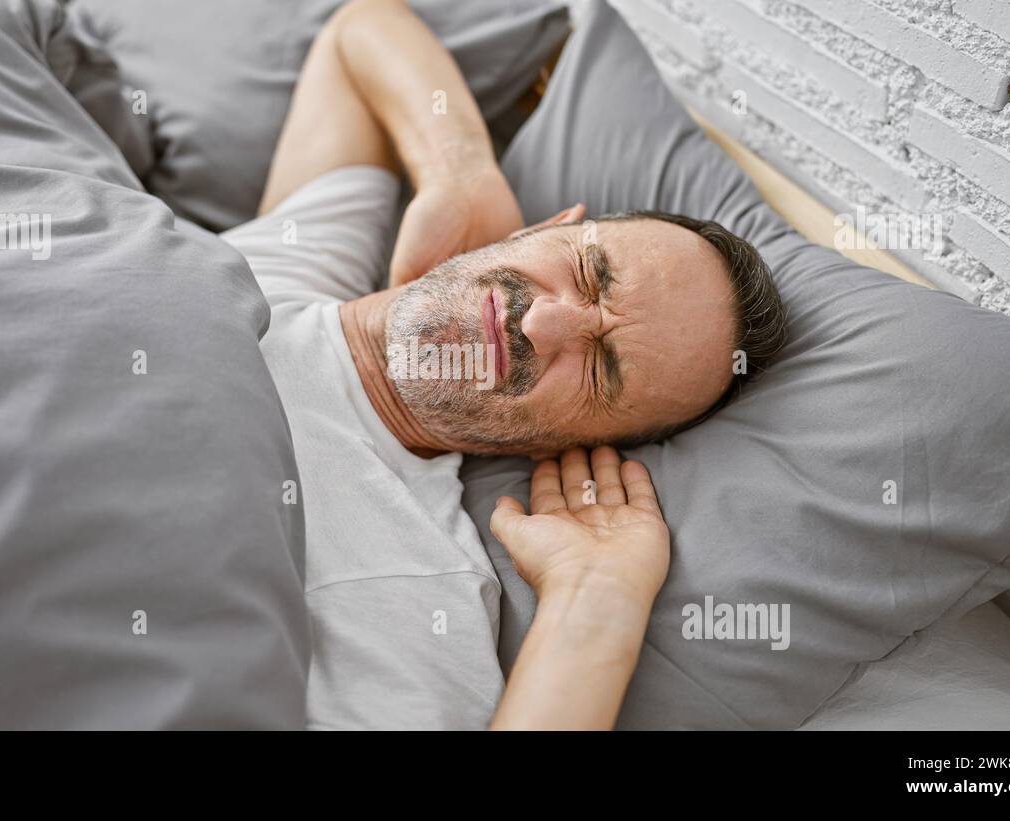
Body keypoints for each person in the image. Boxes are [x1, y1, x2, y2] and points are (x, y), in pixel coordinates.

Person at [221, 0, 786, 729]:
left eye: (603, 368)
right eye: (589, 271)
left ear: (573, 444)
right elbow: (358, 32)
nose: (543, 321)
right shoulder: (302, 255)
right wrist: (459, 173)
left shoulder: (416, 588)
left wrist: (596, 596)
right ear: (545, 228)